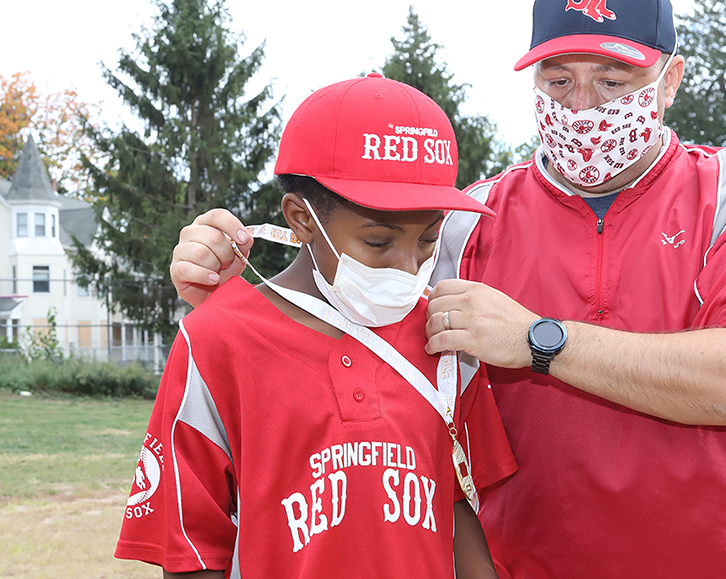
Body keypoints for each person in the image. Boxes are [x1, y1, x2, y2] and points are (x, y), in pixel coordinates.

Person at [169, 0, 726, 577]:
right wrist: (230, 285)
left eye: (612, 80)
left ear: (669, 81)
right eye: (558, 80)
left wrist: (539, 340)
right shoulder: (463, 222)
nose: (582, 108)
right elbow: (353, 325)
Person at [116, 74, 517, 579]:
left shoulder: (448, 337)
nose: (406, 264)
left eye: (427, 240)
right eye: (377, 242)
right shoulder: (217, 340)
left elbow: (460, 506)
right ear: (301, 219)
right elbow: (192, 546)